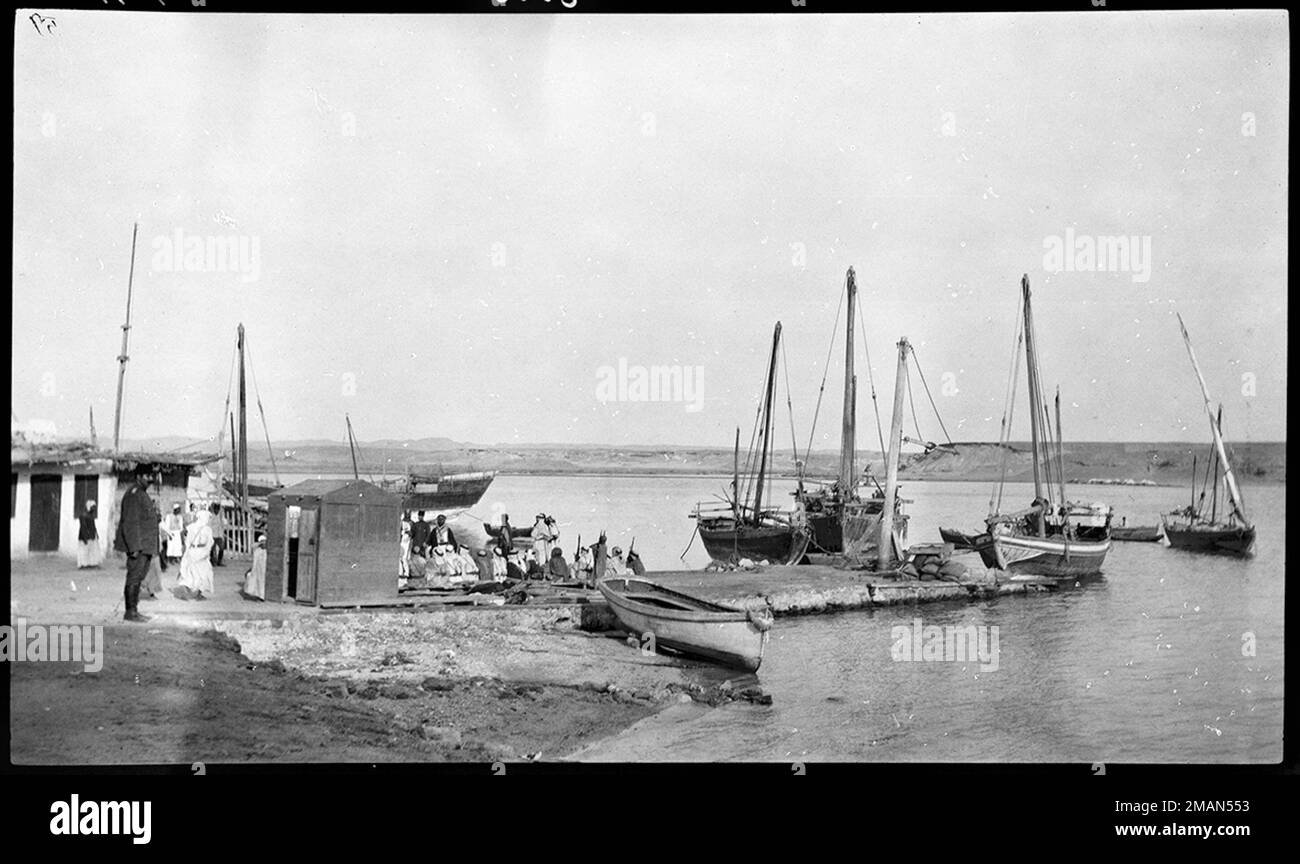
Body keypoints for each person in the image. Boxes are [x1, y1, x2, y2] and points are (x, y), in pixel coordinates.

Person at [114, 466, 159, 622]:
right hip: (138, 547)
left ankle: (134, 610)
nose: (150, 479)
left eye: (151, 476)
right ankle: (130, 612)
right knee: (134, 577)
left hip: (145, 546)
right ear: (139, 476)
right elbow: (130, 523)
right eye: (147, 475)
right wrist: (134, 547)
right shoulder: (134, 494)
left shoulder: (141, 494)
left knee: (138, 578)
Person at [177, 508, 215, 600]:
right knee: (204, 573)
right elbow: (210, 542)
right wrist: (207, 553)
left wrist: (186, 552)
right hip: (202, 552)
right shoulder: (207, 529)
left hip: (192, 552)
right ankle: (198, 594)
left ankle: (187, 591)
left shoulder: (191, 527)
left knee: (190, 572)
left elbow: (187, 541)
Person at [76, 500, 103, 569]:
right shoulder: (83, 516)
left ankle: (92, 563)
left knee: (92, 550)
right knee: (84, 551)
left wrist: (96, 534)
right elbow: (83, 527)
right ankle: (83, 564)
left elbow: (93, 526)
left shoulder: (91, 516)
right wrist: (85, 538)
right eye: (93, 507)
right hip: (85, 537)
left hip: (92, 536)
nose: (94, 509)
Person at [242, 534, 267, 601]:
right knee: (257, 582)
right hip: (258, 569)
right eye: (262, 542)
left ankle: (262, 596)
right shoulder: (257, 551)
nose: (263, 543)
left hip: (265, 569)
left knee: (263, 583)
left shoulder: (267, 551)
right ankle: (259, 596)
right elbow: (253, 546)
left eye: (265, 542)